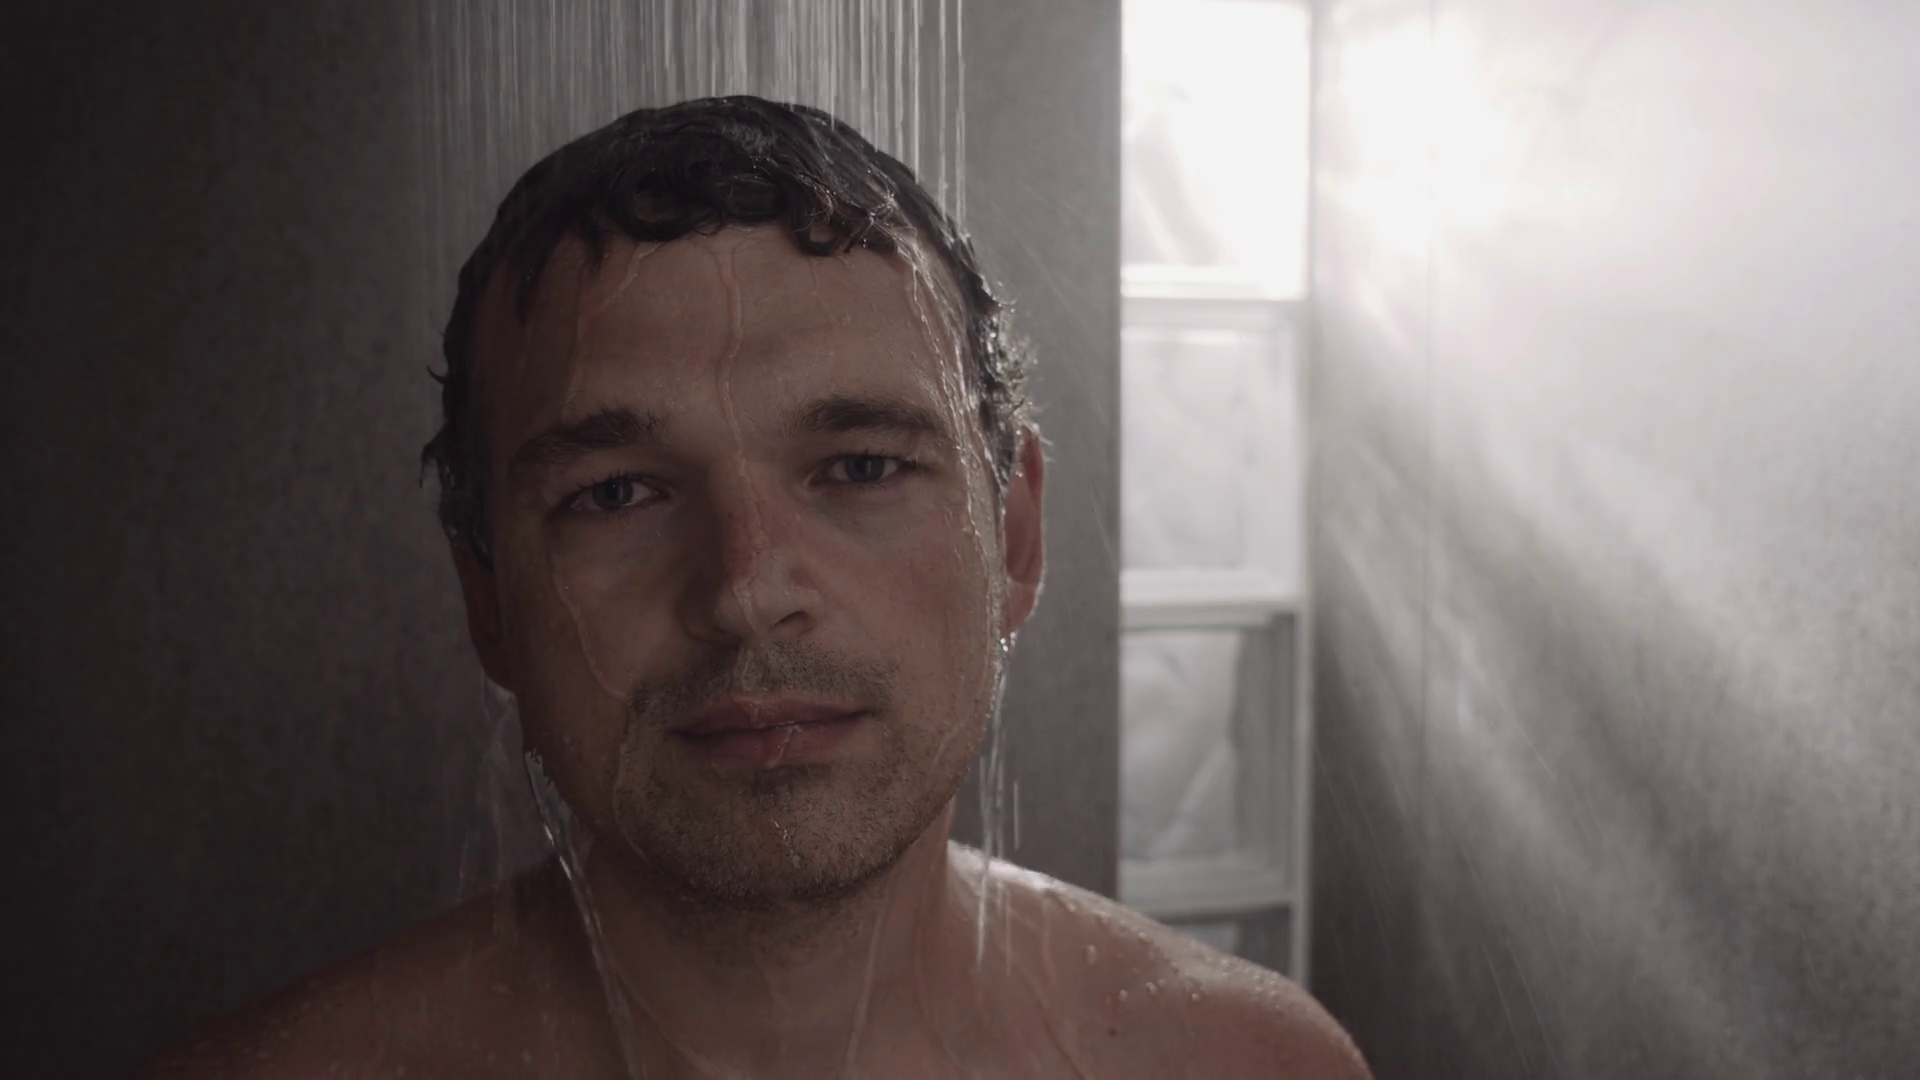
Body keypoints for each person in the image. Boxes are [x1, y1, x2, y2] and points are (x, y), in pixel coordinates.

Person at [142, 95, 1371, 1079]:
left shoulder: (1242, 1063)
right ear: (487, 599)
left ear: (1015, 536)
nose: (744, 590)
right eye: (619, 492)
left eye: (859, 466)